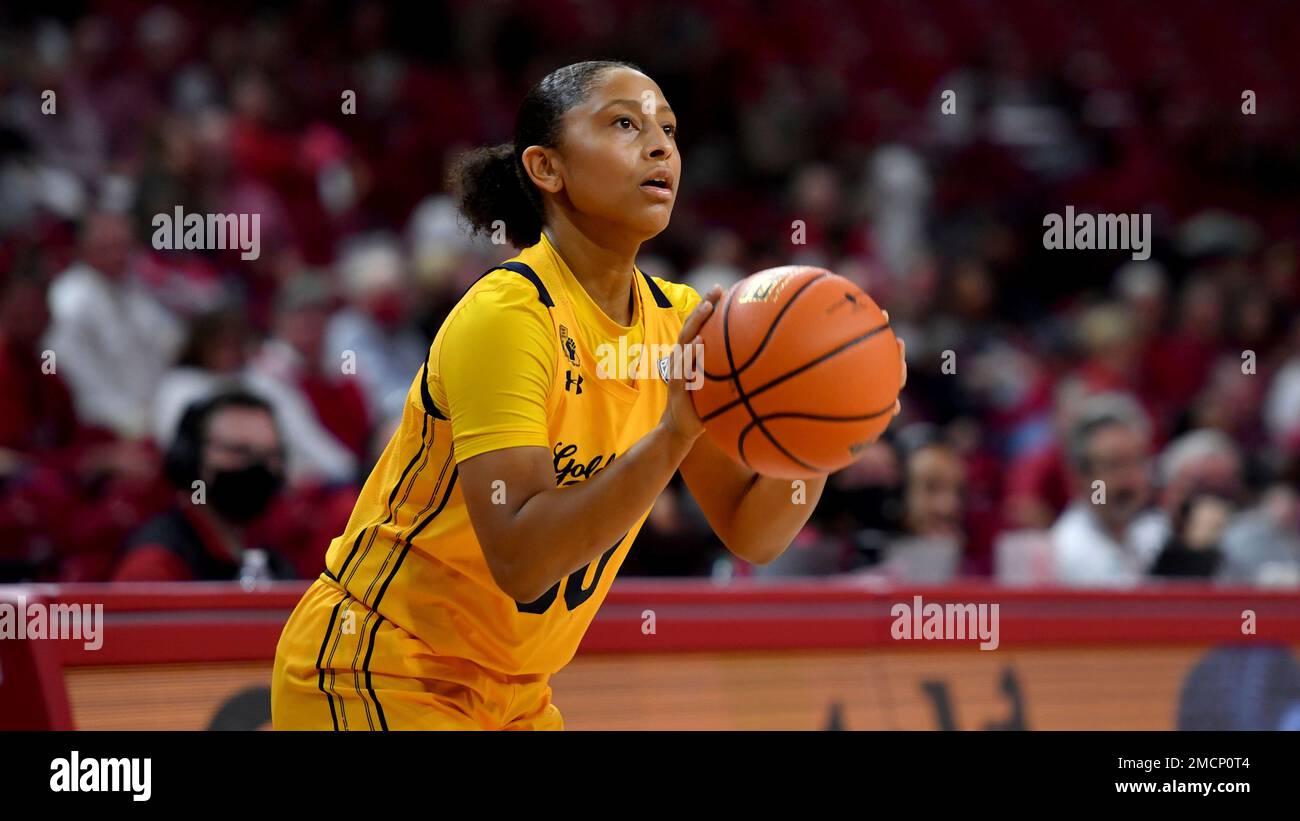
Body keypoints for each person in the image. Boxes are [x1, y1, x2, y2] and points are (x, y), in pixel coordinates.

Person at [271, 61, 905, 730]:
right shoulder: (509, 314)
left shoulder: (679, 318)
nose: (660, 145)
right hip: (379, 665)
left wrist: (827, 431)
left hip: (516, 693)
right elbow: (522, 560)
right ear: (547, 167)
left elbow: (752, 530)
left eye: (668, 128)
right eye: (625, 124)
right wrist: (671, 438)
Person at [112, 391, 294, 582]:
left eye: (270, 454)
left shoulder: (272, 557)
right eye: (239, 451)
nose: (259, 468)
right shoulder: (154, 565)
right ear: (191, 460)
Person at [1050, 392, 1167, 586]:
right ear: (1081, 477)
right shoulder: (1062, 553)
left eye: (1136, 462)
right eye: (1113, 466)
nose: (1127, 480)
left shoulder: (1159, 535)